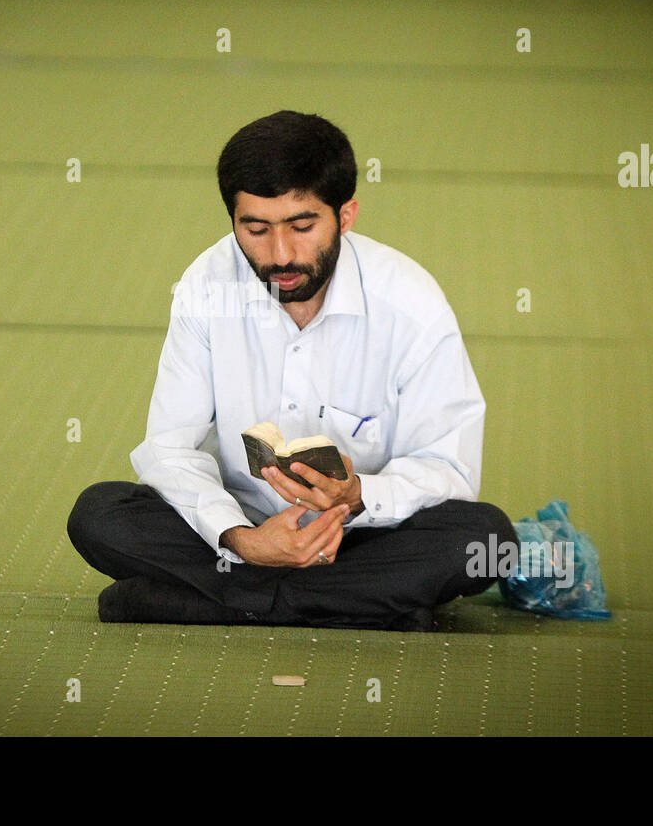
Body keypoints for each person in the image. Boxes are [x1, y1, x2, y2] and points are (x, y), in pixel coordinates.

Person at [68, 111, 518, 632]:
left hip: (360, 537)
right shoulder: (207, 286)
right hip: (239, 532)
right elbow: (170, 449)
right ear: (233, 220)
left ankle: (212, 603)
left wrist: (357, 497)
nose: (280, 254)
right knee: (99, 513)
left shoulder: (411, 302)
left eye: (302, 227)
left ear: (345, 216)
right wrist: (241, 538)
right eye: (255, 229)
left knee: (485, 538)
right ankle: (350, 606)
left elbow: (449, 469)